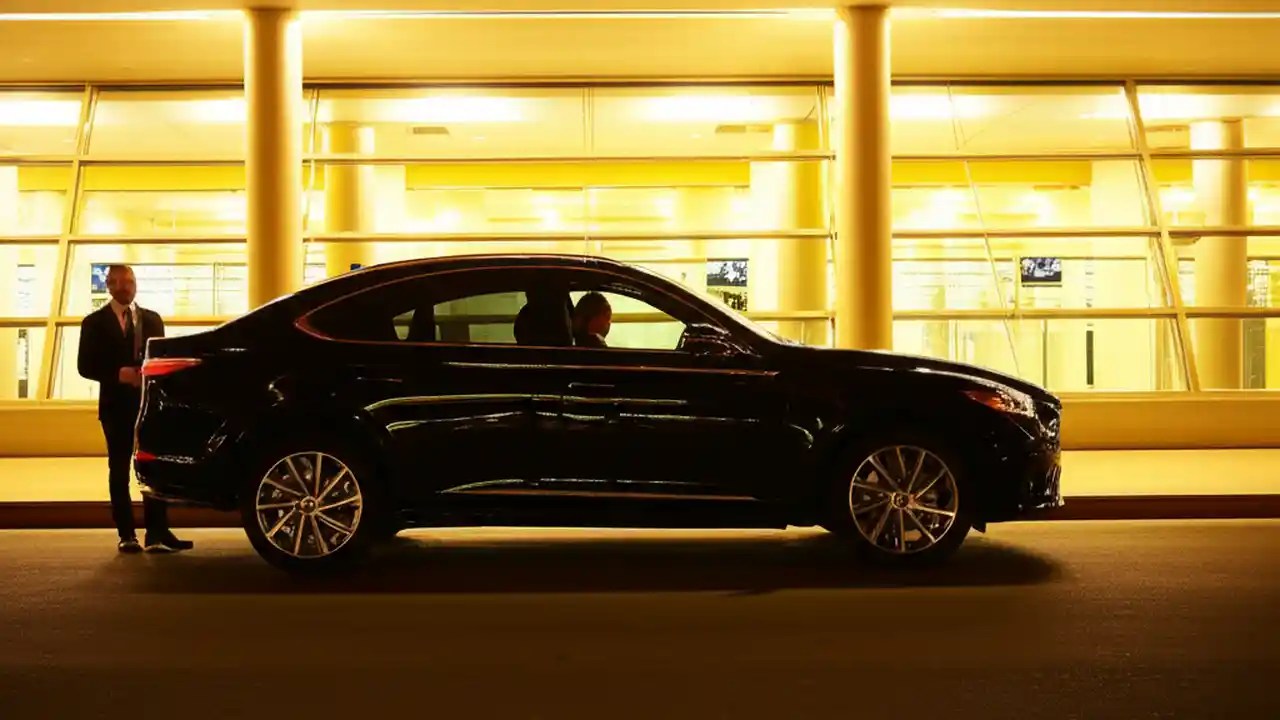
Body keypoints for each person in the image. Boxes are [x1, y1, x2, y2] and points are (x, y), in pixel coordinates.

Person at [77, 265, 193, 554]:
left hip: (149, 405)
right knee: (119, 470)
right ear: (108, 286)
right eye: (118, 282)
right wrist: (119, 374)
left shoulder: (152, 320)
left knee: (154, 468)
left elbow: (160, 358)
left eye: (129, 281)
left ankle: (157, 533)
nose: (125, 286)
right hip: (115, 407)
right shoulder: (94, 322)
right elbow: (85, 365)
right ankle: (126, 534)